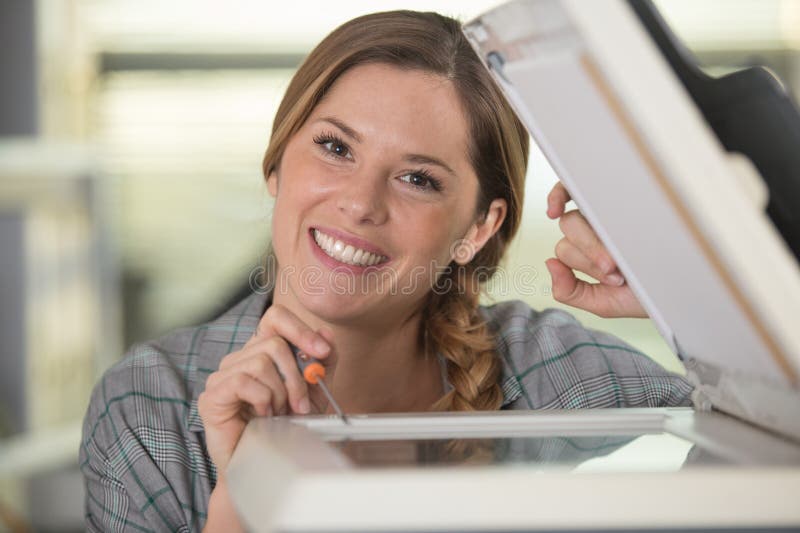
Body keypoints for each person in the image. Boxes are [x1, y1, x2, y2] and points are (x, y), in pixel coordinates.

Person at [80, 10, 693, 532]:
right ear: (277, 164)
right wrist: (242, 504)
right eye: (335, 147)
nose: (360, 203)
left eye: (418, 179)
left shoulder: (540, 367)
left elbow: (774, 432)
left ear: (476, 230)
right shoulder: (150, 407)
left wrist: (684, 299)